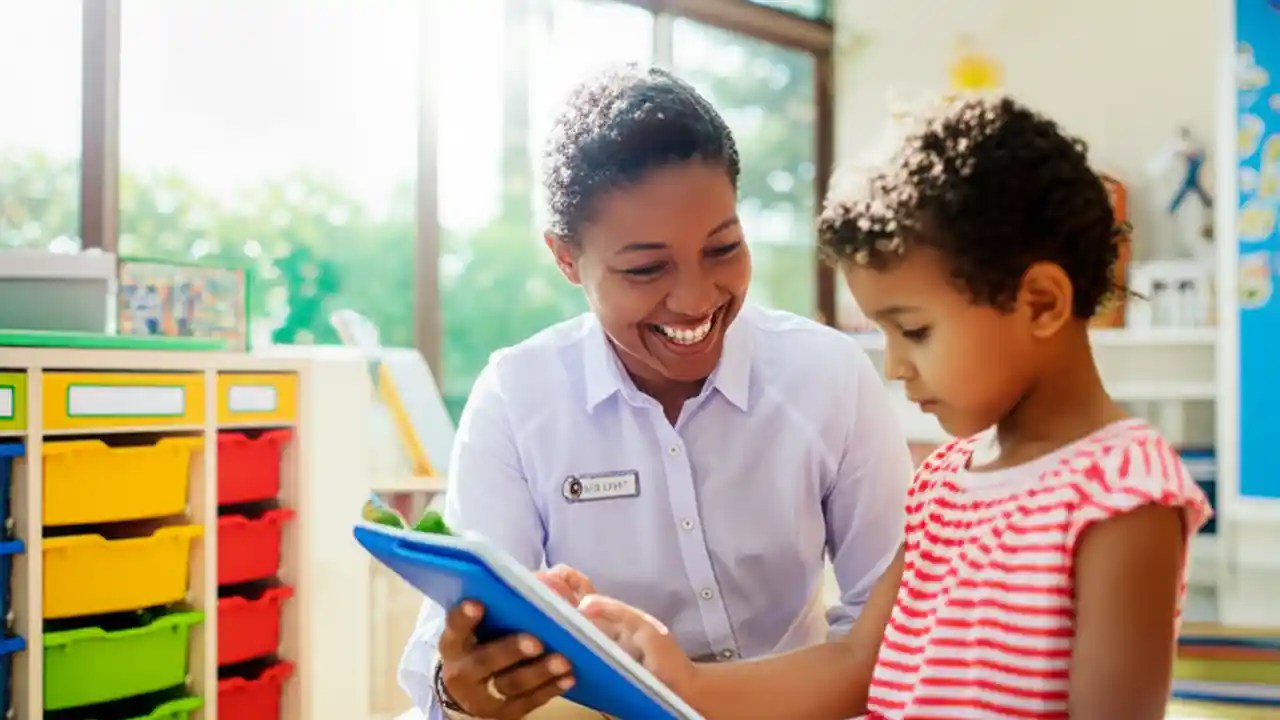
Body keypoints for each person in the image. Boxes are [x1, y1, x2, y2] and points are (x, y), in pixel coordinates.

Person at [579, 95, 1213, 719]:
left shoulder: (1120, 495)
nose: (894, 366)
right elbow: (858, 663)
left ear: (1042, 303)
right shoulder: (945, 482)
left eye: (913, 331)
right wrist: (678, 678)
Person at [397, 64, 915, 719]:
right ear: (565, 258)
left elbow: (896, 631)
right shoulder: (517, 398)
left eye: (723, 248)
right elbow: (448, 660)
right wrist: (465, 689)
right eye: (646, 268)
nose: (696, 298)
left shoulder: (827, 376)